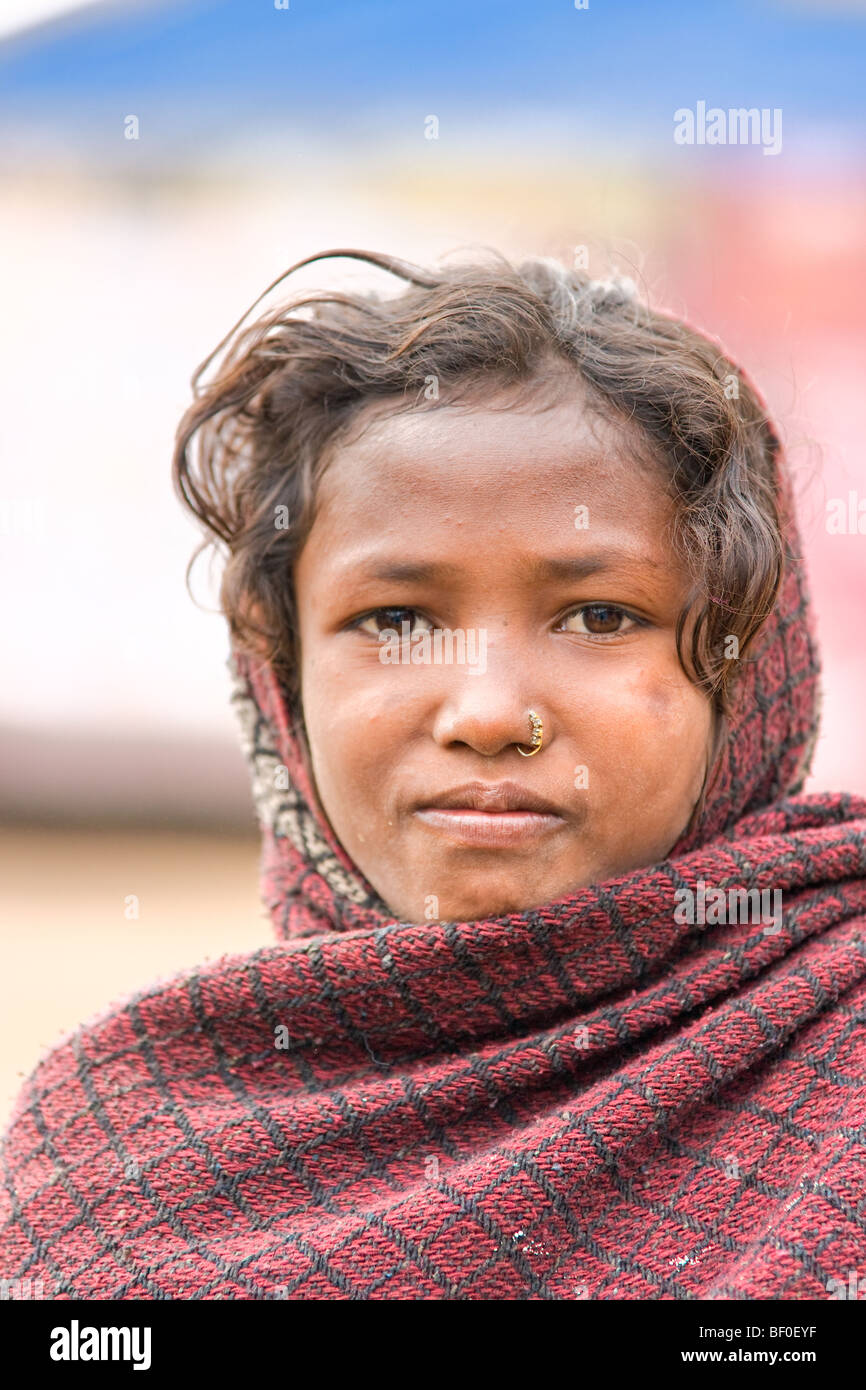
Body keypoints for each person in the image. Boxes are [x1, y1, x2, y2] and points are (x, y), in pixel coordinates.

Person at [2, 247, 865, 1300]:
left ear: (744, 667)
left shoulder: (839, 1061)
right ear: (282, 671)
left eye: (598, 616)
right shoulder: (117, 1154)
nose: (489, 712)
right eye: (395, 620)